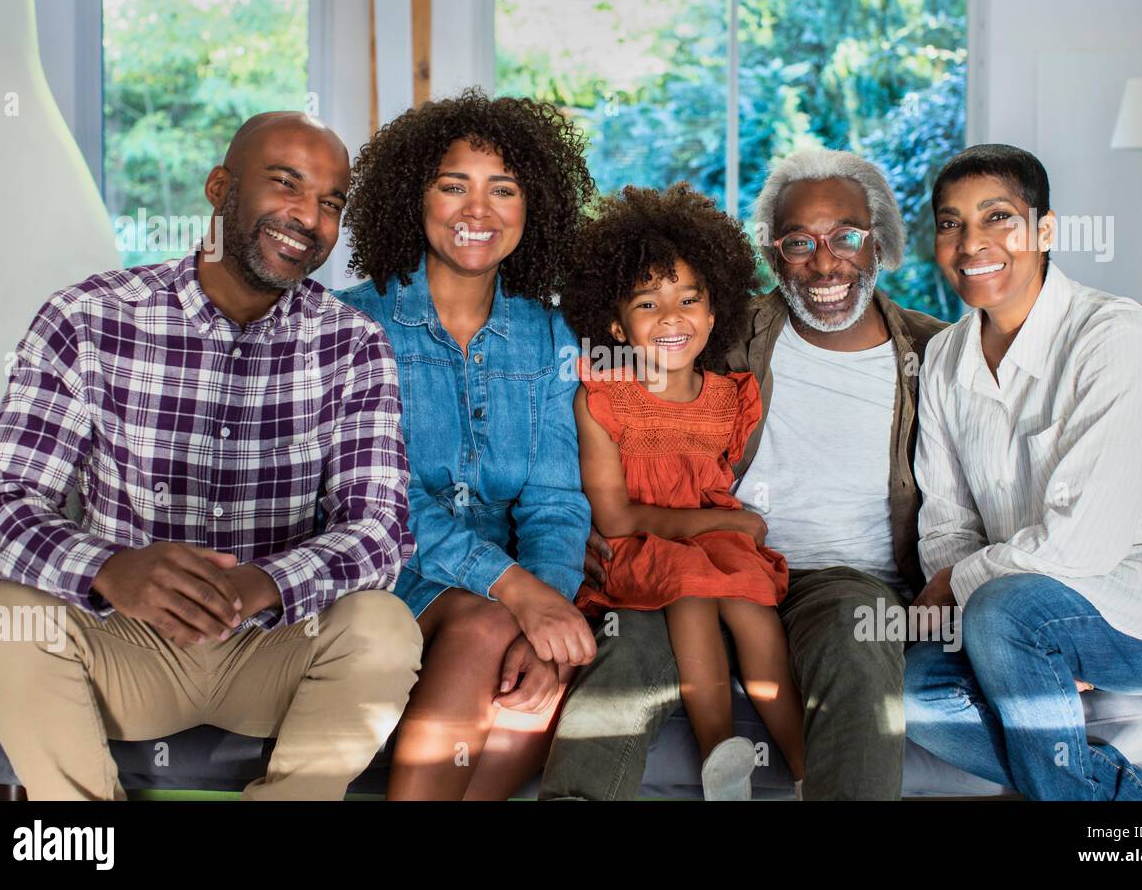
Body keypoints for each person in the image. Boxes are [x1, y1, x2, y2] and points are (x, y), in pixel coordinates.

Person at [0, 112, 422, 800]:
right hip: (125, 643)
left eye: (331, 203)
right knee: (7, 617)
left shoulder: (354, 344)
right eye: (286, 184)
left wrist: (262, 586)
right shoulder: (87, 318)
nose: (309, 217)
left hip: (274, 646)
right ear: (219, 187)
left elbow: (380, 528)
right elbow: (0, 506)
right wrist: (113, 570)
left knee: (383, 627)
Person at [541, 148, 947, 800]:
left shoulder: (937, 353)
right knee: (628, 646)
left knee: (860, 622)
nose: (823, 261)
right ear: (771, 253)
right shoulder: (731, 332)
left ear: (879, 243)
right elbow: (630, 375)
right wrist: (578, 534)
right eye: (797, 242)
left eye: (845, 236)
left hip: (840, 585)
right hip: (691, 559)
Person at [903, 143, 1142, 800]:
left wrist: (966, 585)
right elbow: (947, 518)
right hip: (1031, 610)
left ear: (1045, 230)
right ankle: (1135, 802)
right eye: (951, 223)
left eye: (998, 218)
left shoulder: (1111, 336)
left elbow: (1089, 541)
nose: (971, 242)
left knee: (1001, 612)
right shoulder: (945, 358)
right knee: (913, 691)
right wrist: (1000, 625)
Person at [333, 90, 598, 800]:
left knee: (548, 679)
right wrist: (520, 596)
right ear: (412, 196)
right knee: (486, 626)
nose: (477, 210)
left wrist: (548, 615)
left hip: (518, 588)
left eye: (502, 189)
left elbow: (556, 503)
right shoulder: (353, 325)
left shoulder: (551, 337)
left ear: (530, 207)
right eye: (454, 185)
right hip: (384, 573)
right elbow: (381, 499)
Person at [560, 183, 804, 800]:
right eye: (648, 304)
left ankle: (806, 766)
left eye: (689, 298)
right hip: (644, 544)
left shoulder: (731, 396)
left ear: (716, 309)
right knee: (692, 589)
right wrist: (722, 527)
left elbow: (721, 489)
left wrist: (727, 530)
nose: (672, 318)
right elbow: (614, 517)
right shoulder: (604, 401)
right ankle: (721, 750)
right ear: (616, 325)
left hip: (714, 540)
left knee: (750, 599)